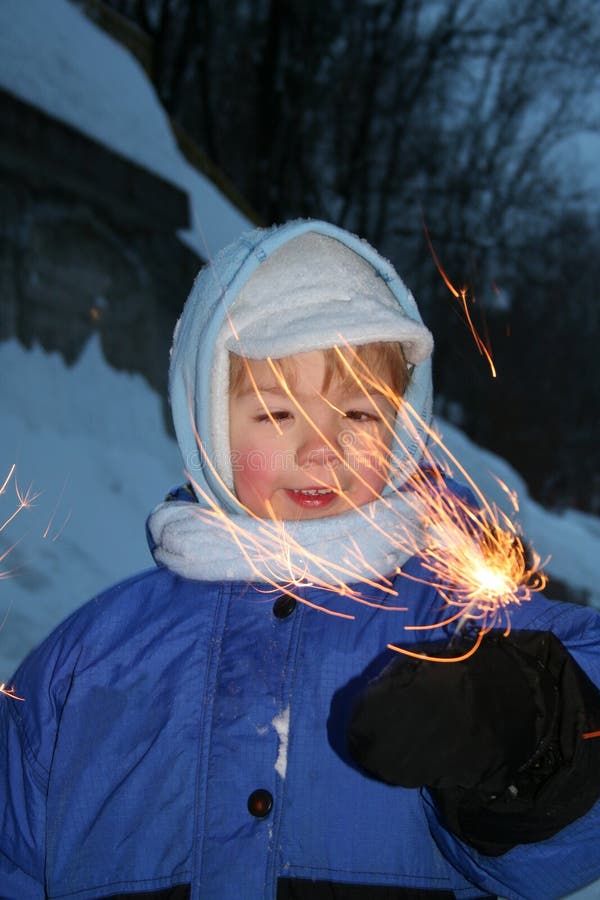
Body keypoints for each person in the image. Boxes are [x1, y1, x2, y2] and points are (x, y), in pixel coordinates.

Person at [1, 219, 600, 900]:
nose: (324, 448)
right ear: (206, 425)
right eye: (278, 414)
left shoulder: (458, 619)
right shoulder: (89, 659)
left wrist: (517, 724)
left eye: (361, 414)